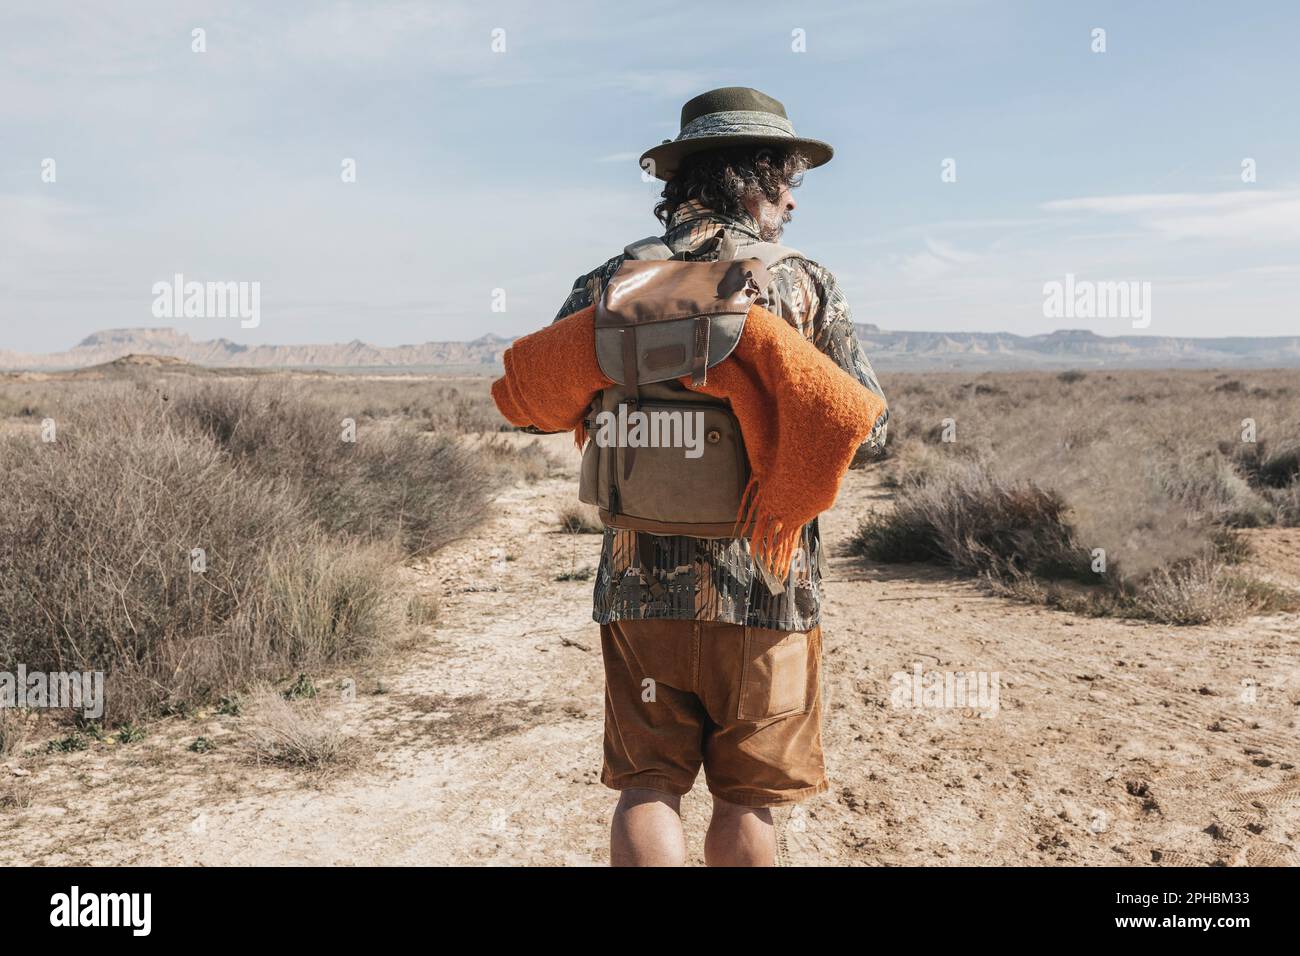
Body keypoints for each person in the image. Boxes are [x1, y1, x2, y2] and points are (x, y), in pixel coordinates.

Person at [550, 87, 888, 866]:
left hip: (638, 587)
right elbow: (866, 428)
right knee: (747, 800)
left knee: (648, 785)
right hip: (766, 590)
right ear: (752, 175)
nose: (795, 199)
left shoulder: (610, 282)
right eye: (789, 177)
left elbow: (551, 396)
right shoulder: (799, 284)